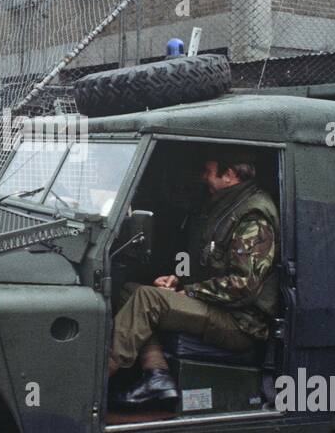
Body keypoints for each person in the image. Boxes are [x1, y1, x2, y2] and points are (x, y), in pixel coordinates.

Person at [109, 153, 280, 407]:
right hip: (219, 309)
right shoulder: (225, 206)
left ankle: (95, 385)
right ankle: (157, 375)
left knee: (148, 299)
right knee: (132, 290)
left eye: (209, 172)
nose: (204, 178)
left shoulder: (252, 215)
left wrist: (188, 292)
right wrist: (177, 281)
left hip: (242, 323)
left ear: (230, 175)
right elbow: (214, 263)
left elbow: (243, 286)